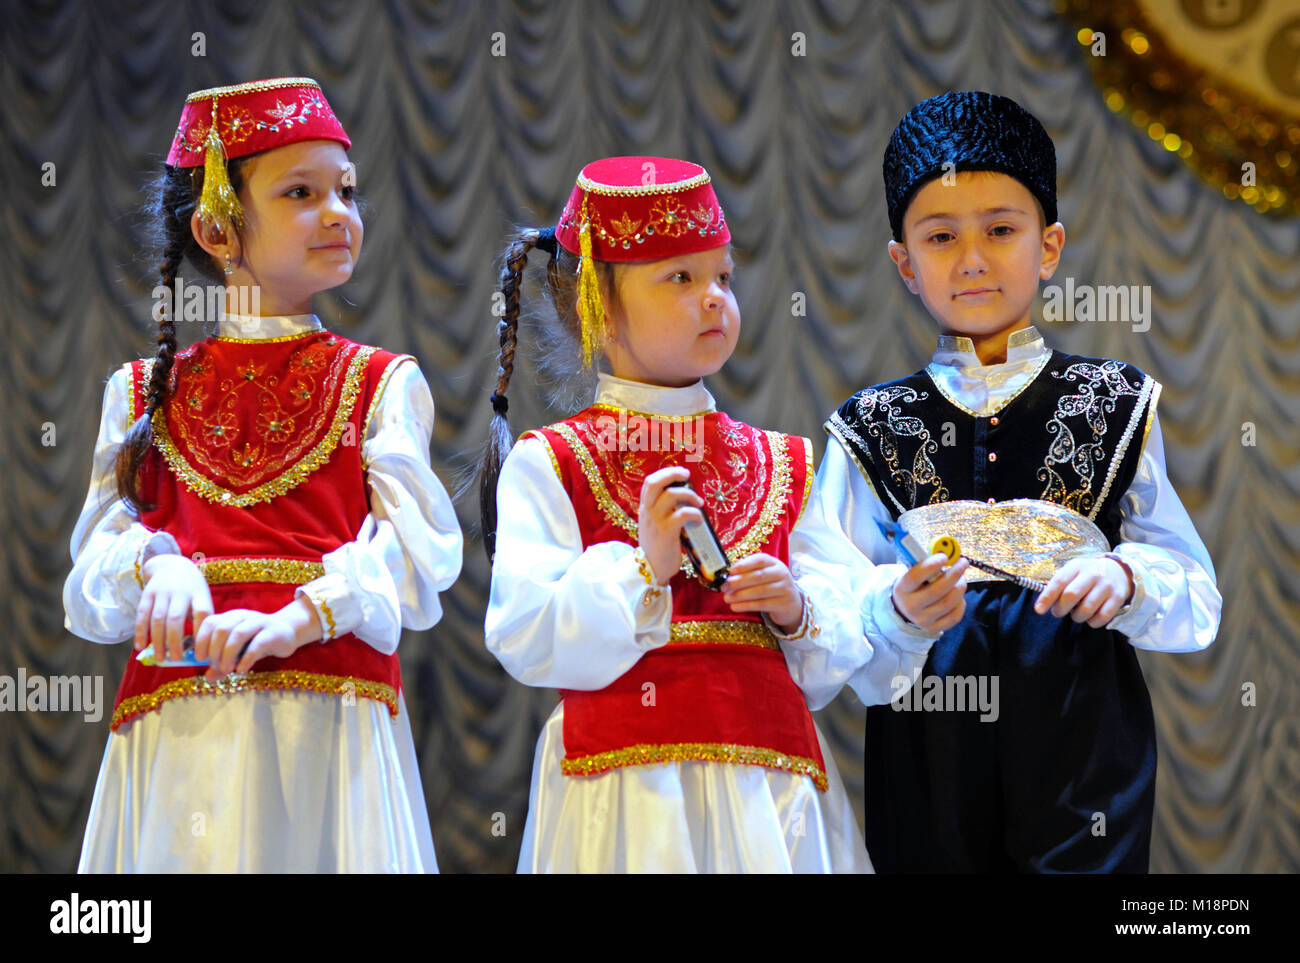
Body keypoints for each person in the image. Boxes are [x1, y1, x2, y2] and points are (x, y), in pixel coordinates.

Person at [478, 156, 967, 872]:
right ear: (599, 309)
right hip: (623, 798)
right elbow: (524, 630)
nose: (714, 298)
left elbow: (846, 628)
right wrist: (644, 568)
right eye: (680, 278)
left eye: (723, 277)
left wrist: (798, 609)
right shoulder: (551, 460)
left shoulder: (782, 461)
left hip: (774, 793)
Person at [63, 77, 463, 872]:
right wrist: (158, 558)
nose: (338, 213)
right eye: (301, 193)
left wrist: (302, 617)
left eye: (346, 191)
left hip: (331, 723)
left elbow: (419, 562)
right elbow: (89, 585)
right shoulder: (141, 393)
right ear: (217, 227)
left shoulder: (381, 384)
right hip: (184, 733)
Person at [817, 90, 1222, 872]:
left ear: (1049, 246)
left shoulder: (1114, 400)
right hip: (928, 730)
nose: (972, 259)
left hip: (1081, 729)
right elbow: (828, 602)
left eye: (1001, 230)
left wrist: (1125, 576)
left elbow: (1194, 591)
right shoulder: (869, 423)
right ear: (903, 262)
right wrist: (891, 607)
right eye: (940, 237)